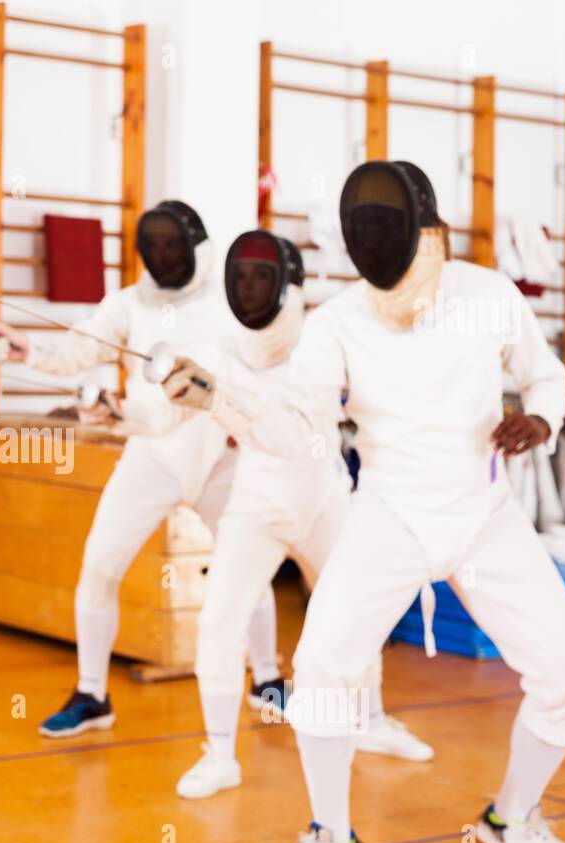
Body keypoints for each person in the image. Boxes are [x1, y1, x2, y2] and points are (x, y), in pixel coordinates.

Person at [177, 161, 565, 843]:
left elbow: (547, 375)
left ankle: (513, 817)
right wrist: (216, 396)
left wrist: (542, 417)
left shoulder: (488, 295)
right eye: (365, 233)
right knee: (320, 670)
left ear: (426, 229)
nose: (378, 245)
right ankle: (332, 836)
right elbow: (286, 428)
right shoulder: (338, 322)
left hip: (484, 515)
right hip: (390, 515)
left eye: (388, 230)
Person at [0, 201, 282, 738]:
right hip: (151, 451)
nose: (165, 255)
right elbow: (75, 351)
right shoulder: (128, 304)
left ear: (196, 246)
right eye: (156, 246)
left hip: (220, 453)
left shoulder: (229, 301)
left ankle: (268, 680)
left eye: (174, 245)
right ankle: (93, 693)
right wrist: (25, 349)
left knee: (248, 567)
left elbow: (254, 371)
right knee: (99, 565)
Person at [163, 229, 433, 801]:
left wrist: (220, 401)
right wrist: (145, 395)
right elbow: (173, 416)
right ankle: (218, 755)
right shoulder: (222, 351)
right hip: (255, 506)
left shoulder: (319, 345)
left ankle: (370, 720)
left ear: (289, 284)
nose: (249, 287)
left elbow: (292, 434)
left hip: (323, 500)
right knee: (217, 623)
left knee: (360, 613)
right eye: (239, 277)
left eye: (262, 276)